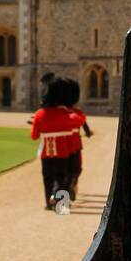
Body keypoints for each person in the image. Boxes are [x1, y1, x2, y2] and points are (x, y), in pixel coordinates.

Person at [30, 76, 79, 211]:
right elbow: (73, 126)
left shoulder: (39, 114)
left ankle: (48, 202)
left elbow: (34, 136)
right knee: (61, 177)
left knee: (47, 177)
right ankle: (61, 204)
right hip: (63, 151)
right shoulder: (66, 114)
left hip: (46, 152)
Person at [60, 78, 92, 200]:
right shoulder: (77, 112)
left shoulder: (60, 112)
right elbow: (84, 124)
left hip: (62, 145)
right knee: (76, 167)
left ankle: (67, 189)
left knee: (66, 169)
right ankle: (72, 185)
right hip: (75, 144)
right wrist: (88, 133)